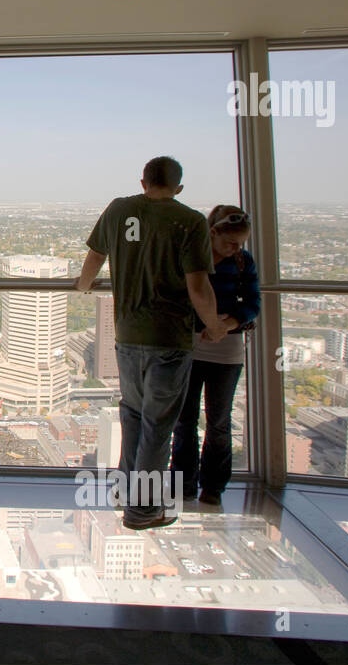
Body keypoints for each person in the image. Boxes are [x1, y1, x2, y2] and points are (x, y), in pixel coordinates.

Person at [76, 156, 228, 531]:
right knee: (158, 426)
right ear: (178, 187)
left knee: (132, 415)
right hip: (170, 338)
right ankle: (142, 510)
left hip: (127, 334)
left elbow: (96, 255)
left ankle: (125, 491)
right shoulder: (189, 221)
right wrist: (215, 325)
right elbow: (198, 286)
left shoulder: (119, 209)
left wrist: (82, 285)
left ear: (143, 181)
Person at [171, 205, 260, 507]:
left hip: (227, 350)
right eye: (231, 242)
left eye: (240, 243)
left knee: (219, 422)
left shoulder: (242, 262)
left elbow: (253, 302)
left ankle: (213, 487)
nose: (237, 248)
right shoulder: (191, 258)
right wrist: (211, 324)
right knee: (185, 419)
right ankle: (183, 484)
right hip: (192, 347)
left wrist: (226, 325)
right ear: (213, 233)